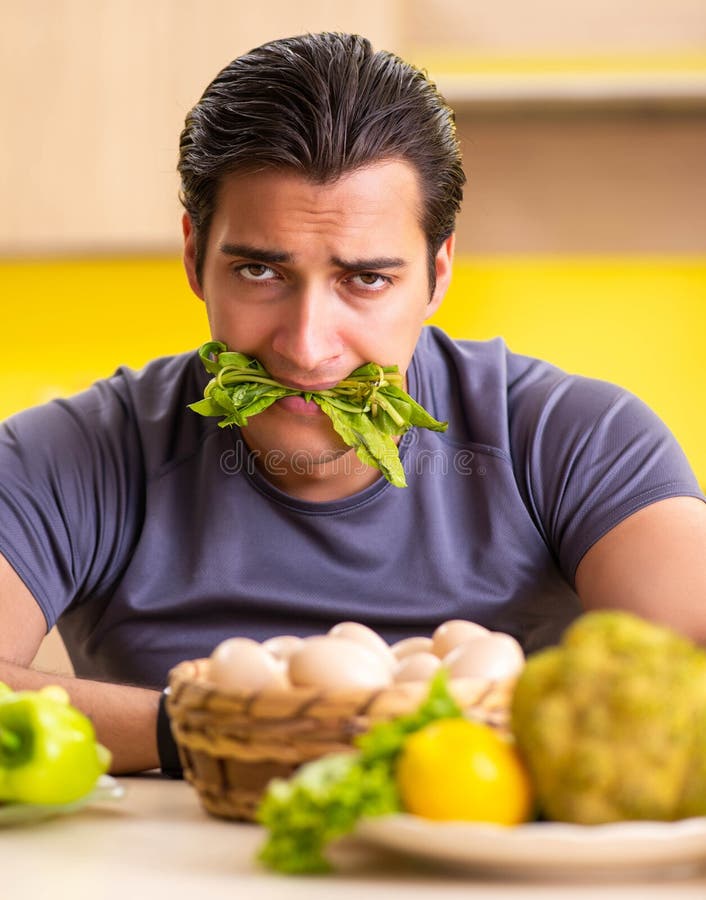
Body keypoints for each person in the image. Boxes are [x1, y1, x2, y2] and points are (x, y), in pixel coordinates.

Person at [1, 32, 705, 776]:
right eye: (260, 272)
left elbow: (690, 666)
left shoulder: (573, 439)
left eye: (365, 280)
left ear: (436, 277)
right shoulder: (76, 454)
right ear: (193, 258)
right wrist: (203, 729)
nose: (307, 347)